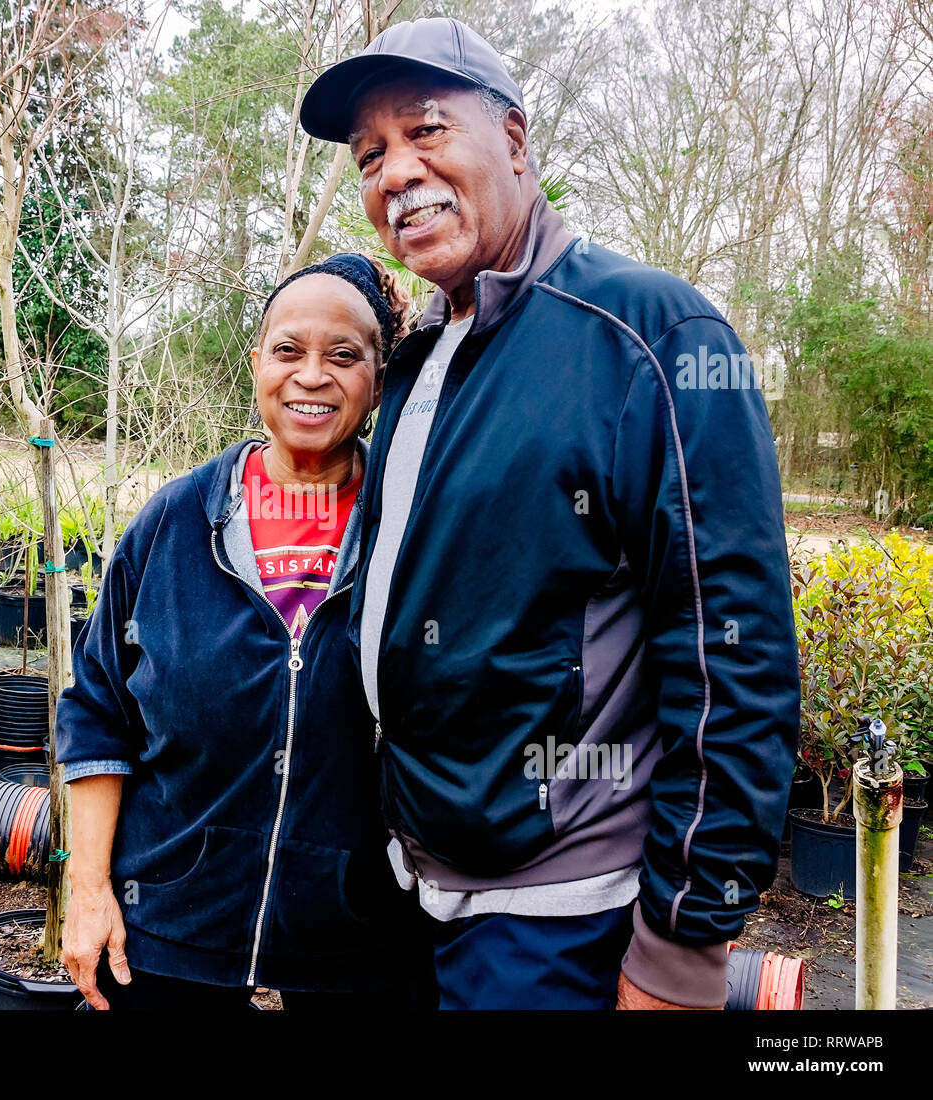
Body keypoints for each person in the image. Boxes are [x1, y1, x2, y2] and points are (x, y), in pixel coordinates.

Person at [298, 18, 800, 1010]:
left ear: (516, 144)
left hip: (559, 918)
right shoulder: (419, 360)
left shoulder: (650, 334)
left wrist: (681, 948)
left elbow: (733, 654)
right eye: (370, 155)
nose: (395, 172)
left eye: (426, 130)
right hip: (413, 892)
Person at [56, 253, 427, 1010]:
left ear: (380, 381)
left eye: (344, 356)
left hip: (357, 934)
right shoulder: (176, 520)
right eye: (289, 350)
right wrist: (88, 891)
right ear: (256, 361)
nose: (312, 375)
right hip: (168, 921)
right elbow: (98, 712)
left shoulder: (411, 528)